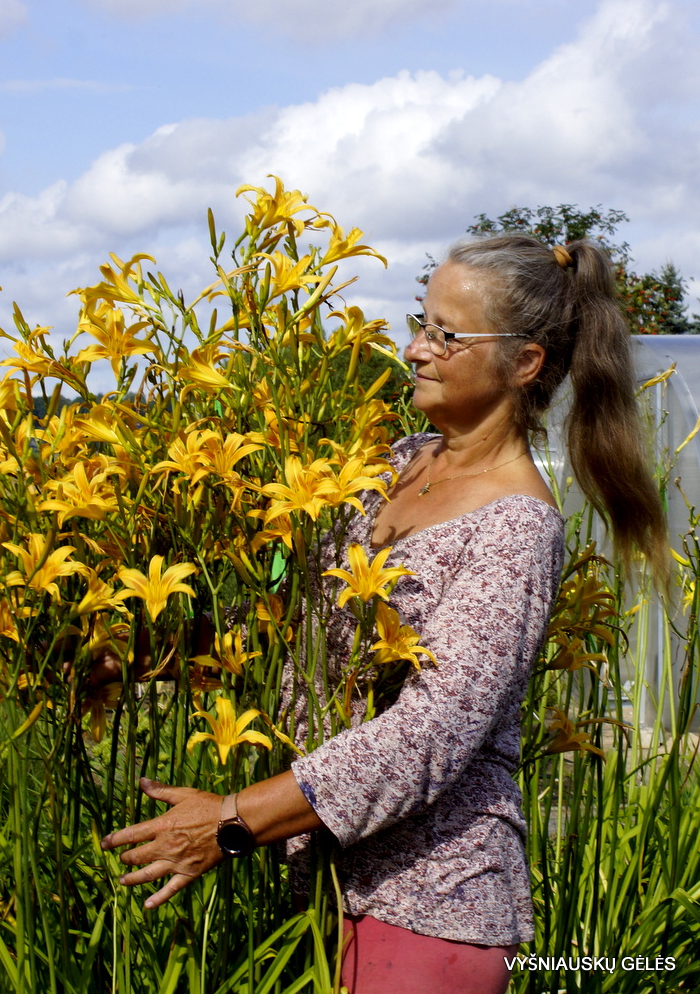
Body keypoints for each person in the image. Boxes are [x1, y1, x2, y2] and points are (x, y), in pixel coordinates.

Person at [99, 234, 667, 994]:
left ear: (526, 362)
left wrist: (233, 821)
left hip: (433, 912)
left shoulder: (518, 525)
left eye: (446, 335)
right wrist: (147, 649)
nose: (414, 349)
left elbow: (428, 734)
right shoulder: (395, 460)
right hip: (328, 889)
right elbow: (293, 619)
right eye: (420, 323)